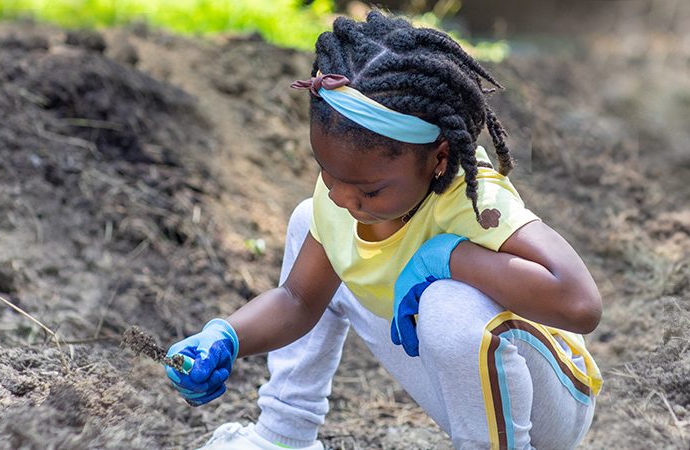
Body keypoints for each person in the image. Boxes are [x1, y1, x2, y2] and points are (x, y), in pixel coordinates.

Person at [164, 11, 603, 450]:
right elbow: (298, 300)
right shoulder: (344, 195)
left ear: (440, 158)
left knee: (447, 300)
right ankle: (282, 436)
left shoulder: (474, 203)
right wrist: (226, 337)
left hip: (550, 398)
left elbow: (581, 304)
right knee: (309, 220)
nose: (341, 197)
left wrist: (449, 257)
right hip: (463, 386)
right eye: (327, 173)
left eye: (368, 191)